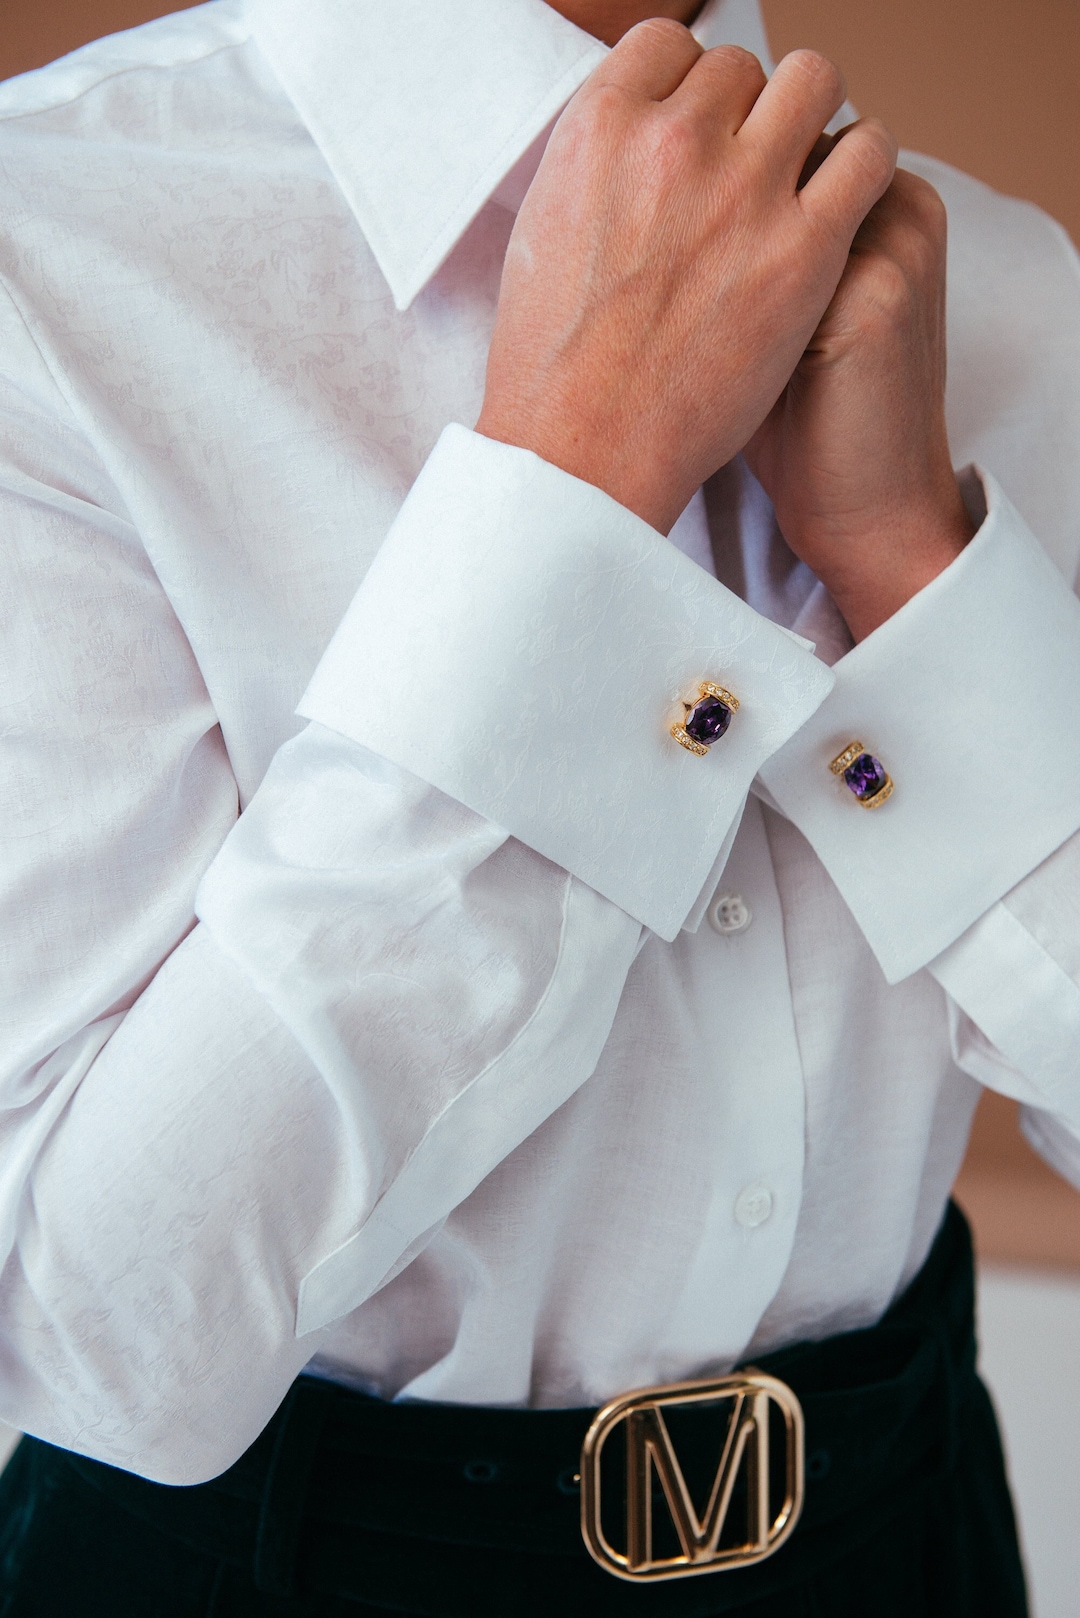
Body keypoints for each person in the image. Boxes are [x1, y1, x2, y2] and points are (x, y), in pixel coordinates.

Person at [0, 0, 1078, 1610]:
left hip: (913, 1540)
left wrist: (914, 570)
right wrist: (578, 491)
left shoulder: (1007, 291)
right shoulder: (49, 261)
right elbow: (107, 1340)